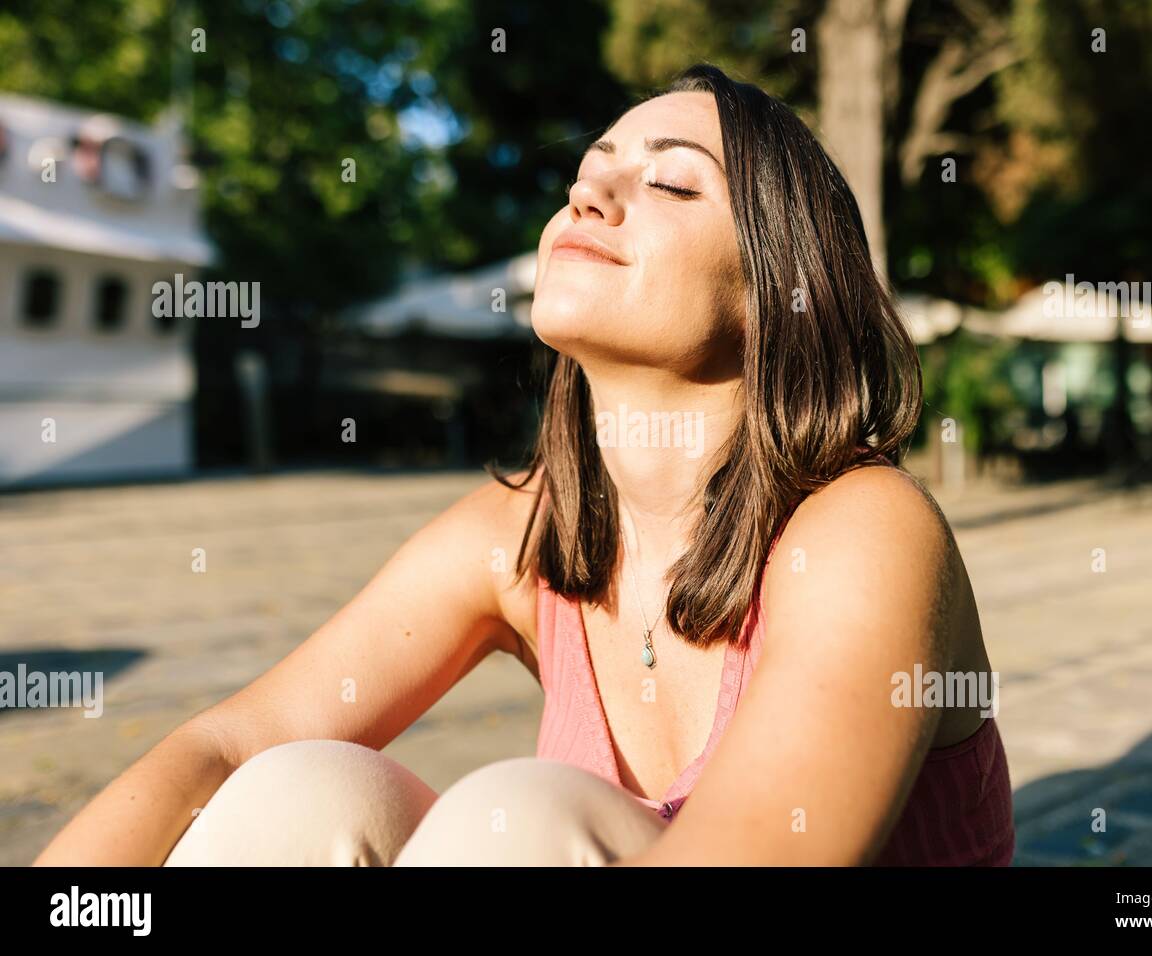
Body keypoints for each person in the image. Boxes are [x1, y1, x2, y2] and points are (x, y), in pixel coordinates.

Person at [34, 63, 1013, 868]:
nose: (591, 192)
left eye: (670, 182)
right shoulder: (519, 533)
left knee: (524, 819)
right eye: (588, 176)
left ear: (778, 293)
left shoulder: (863, 528)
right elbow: (225, 745)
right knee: (301, 789)